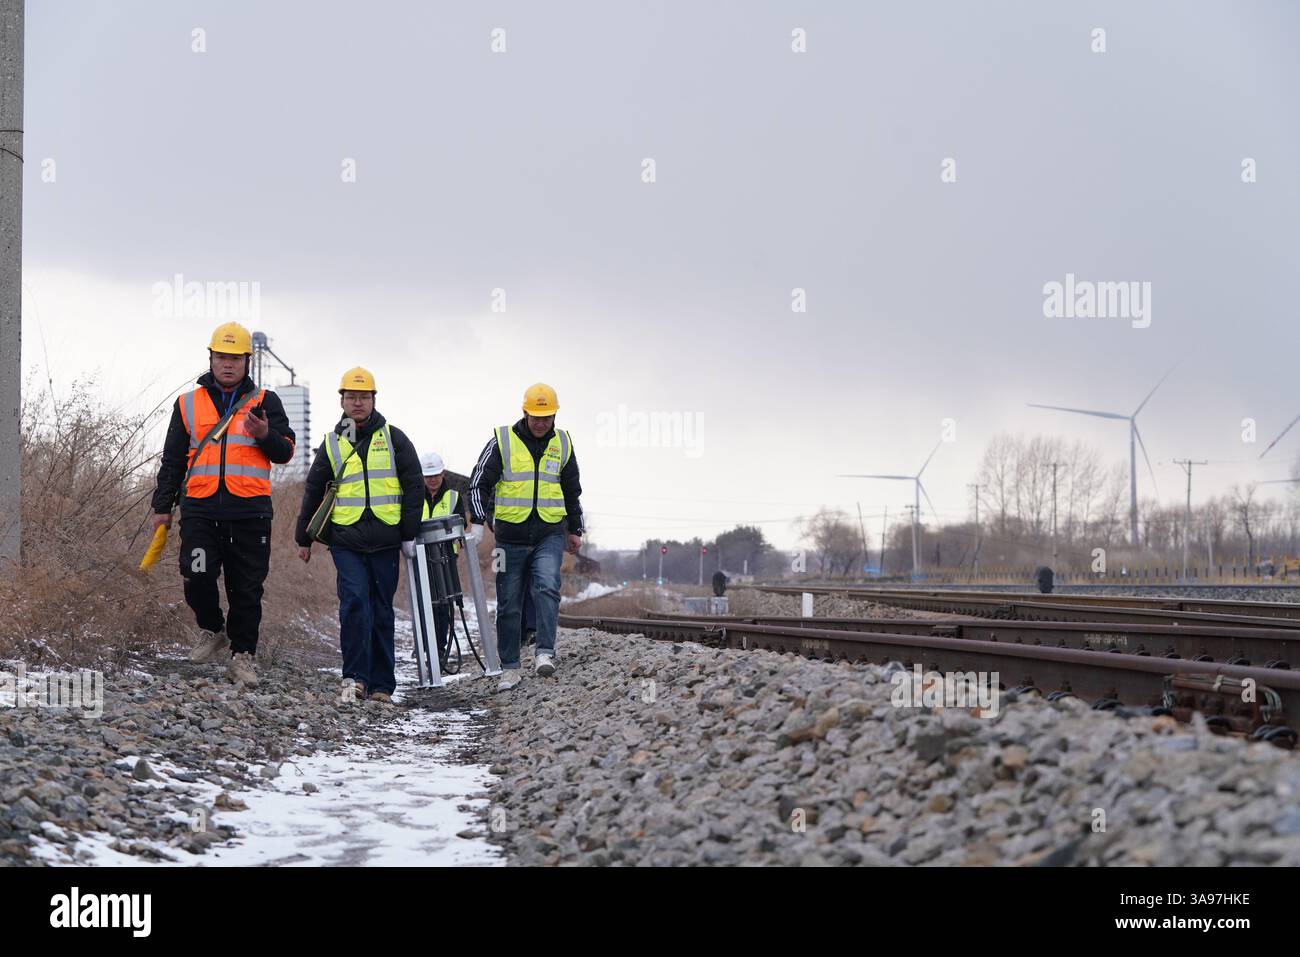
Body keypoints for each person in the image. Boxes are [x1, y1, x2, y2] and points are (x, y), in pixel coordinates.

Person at [149, 321, 296, 688]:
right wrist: (162, 507)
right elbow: (172, 460)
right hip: (200, 509)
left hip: (250, 511)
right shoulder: (187, 404)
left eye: (235, 358)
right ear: (211, 358)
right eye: (221, 357)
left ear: (247, 361)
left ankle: (242, 656)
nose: (227, 364)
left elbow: (285, 451)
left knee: (246, 589)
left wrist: (265, 434)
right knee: (196, 573)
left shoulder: (266, 401)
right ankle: (212, 628)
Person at [294, 368, 423, 703]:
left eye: (363, 397)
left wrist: (408, 534)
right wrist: (303, 538)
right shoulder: (331, 443)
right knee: (354, 604)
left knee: (381, 610)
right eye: (351, 397)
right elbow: (313, 490)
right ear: (342, 401)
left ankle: (381, 686)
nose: (357, 403)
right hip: (346, 540)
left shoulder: (394, 439)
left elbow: (414, 486)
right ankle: (354, 679)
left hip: (386, 540)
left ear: (373, 400)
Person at [469, 383, 583, 690]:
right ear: (524, 412)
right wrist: (477, 521)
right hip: (509, 539)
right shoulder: (502, 441)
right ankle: (510, 667)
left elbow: (571, 490)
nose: (541, 423)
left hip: (549, 533)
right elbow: (479, 481)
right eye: (536, 417)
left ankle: (544, 652)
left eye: (547, 417)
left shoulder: (563, 443)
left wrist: (576, 528)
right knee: (508, 602)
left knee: (547, 586)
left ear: (554, 415)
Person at [418, 451, 469, 663]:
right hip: (421, 555)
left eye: (435, 475)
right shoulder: (414, 496)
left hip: (446, 556)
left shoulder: (453, 497)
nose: (432, 480)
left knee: (443, 604)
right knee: (425, 602)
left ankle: (439, 648)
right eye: (428, 476)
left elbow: (461, 524)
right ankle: (426, 645)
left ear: (443, 473)